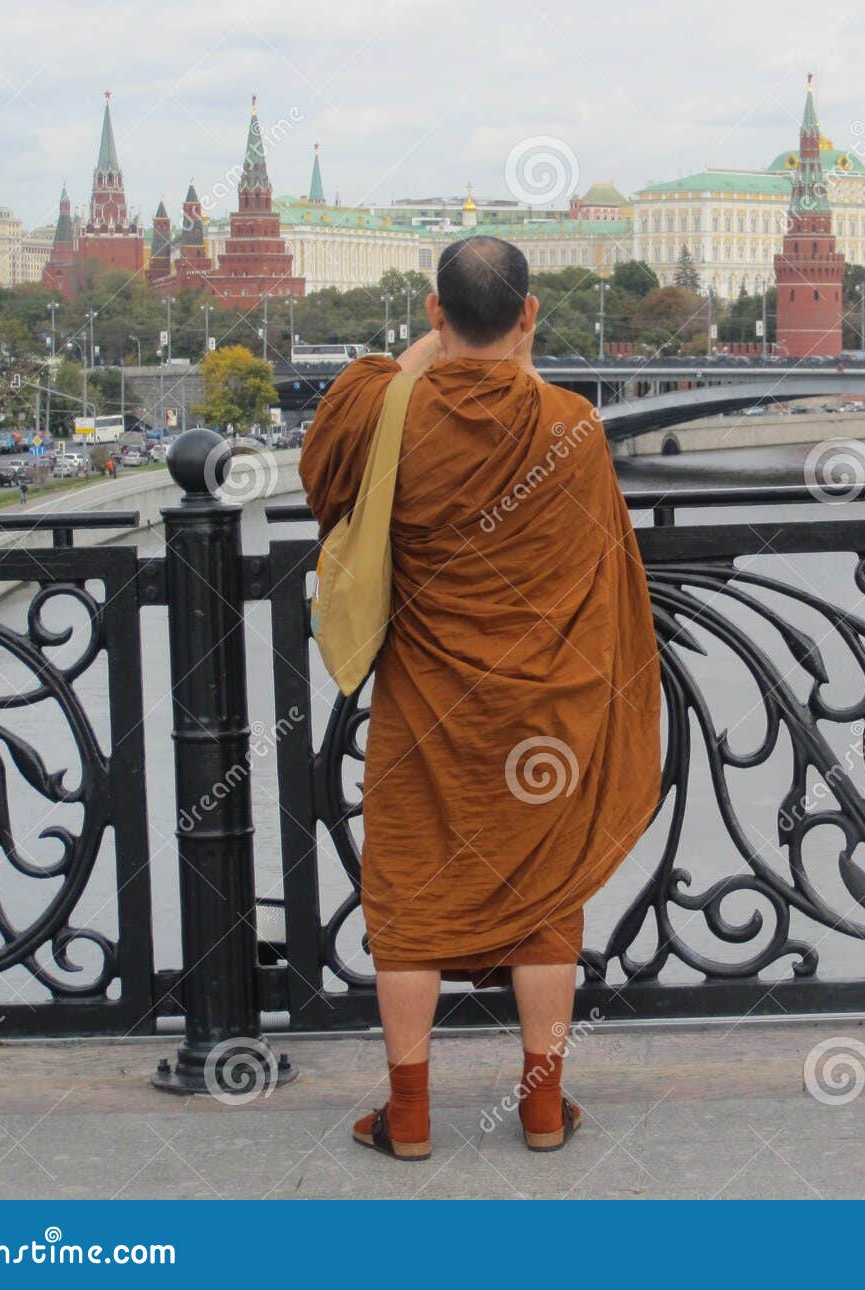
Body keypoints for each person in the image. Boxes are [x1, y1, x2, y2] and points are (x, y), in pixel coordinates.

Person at [299, 236, 661, 1161]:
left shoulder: (389, 416)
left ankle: (410, 1116)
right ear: (531, 315)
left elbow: (323, 464)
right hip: (547, 714)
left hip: (427, 705)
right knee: (543, 896)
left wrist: (428, 352)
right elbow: (607, 572)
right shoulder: (573, 426)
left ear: (433, 313)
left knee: (410, 893)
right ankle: (542, 1108)